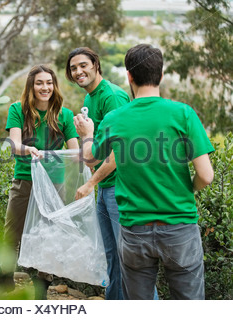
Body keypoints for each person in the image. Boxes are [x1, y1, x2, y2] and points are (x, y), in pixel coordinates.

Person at [74, 43, 214, 299]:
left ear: (129, 76)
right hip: (180, 227)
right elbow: (206, 175)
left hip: (134, 230)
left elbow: (90, 159)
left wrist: (87, 134)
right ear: (160, 75)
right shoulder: (183, 114)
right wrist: (186, 190)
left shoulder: (115, 118)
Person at [0, 65, 79, 299]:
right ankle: (5, 280)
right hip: (24, 179)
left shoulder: (65, 115)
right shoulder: (17, 110)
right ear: (31, 86)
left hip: (54, 183)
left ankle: (41, 288)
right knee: (12, 232)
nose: (45, 87)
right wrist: (30, 150)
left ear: (54, 86)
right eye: (39, 83)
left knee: (49, 235)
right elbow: (14, 145)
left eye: (49, 82)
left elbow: (75, 152)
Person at [65, 47, 129, 300]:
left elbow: (120, 152)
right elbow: (93, 153)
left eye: (83, 65)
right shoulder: (89, 100)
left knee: (130, 262)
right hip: (105, 188)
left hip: (119, 189)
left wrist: (91, 182)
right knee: (112, 257)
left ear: (96, 64)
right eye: (73, 68)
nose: (78, 71)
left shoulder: (112, 97)